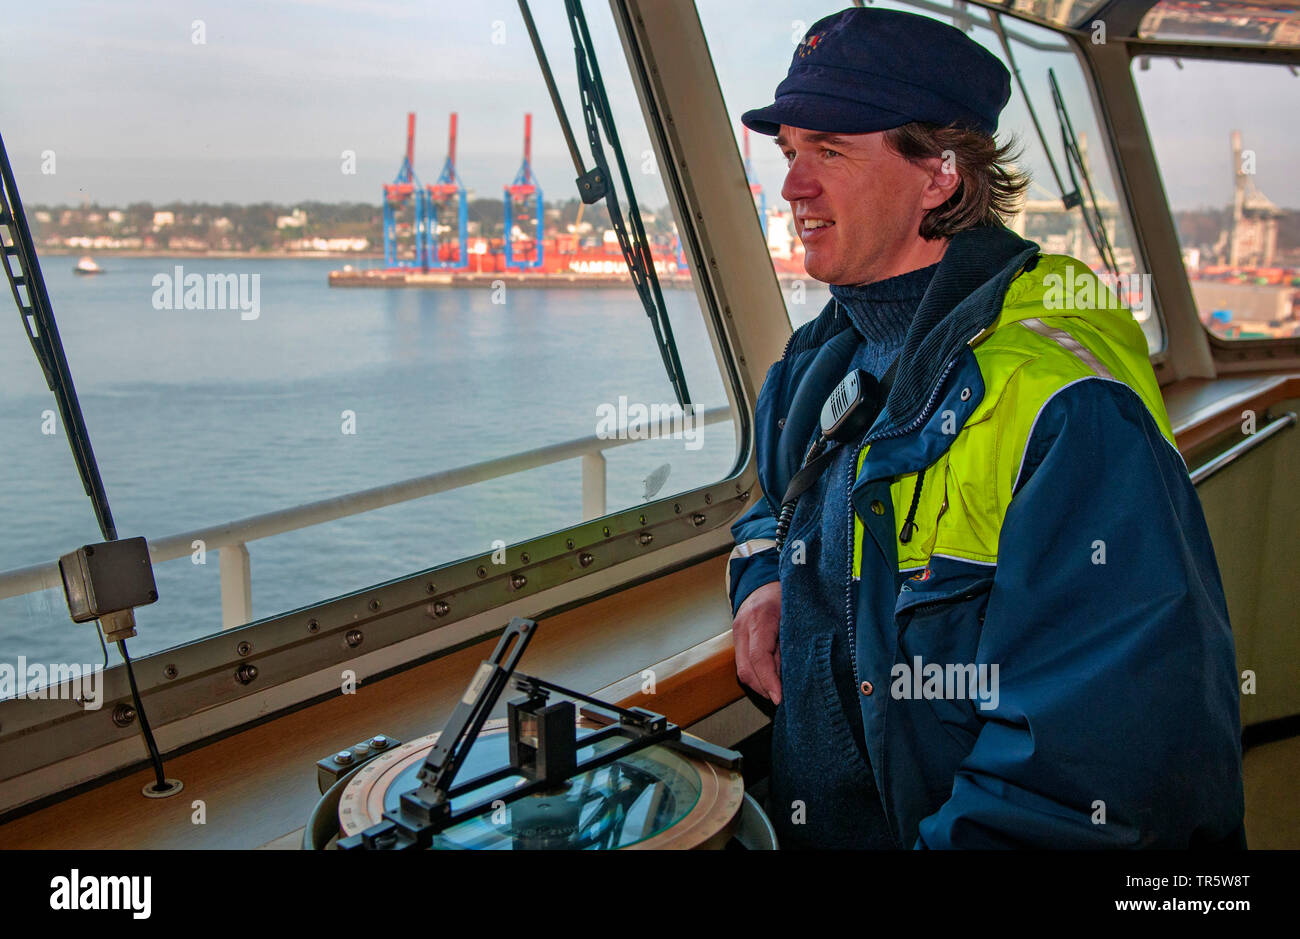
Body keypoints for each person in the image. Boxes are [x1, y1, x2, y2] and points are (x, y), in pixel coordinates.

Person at [726, 7, 1245, 849]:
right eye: (789, 152)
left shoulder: (1065, 407)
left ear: (940, 174)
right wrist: (763, 585)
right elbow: (767, 507)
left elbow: (1090, 786)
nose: (791, 186)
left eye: (829, 151)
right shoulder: (817, 363)